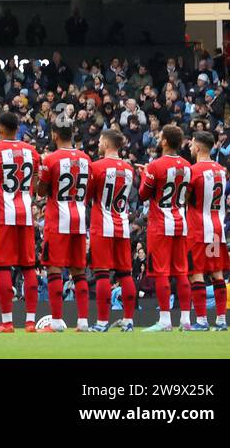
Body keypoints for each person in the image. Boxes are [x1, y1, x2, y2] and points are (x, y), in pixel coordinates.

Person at [0, 110, 41, 333]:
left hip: (2, 215)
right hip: (25, 214)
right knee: (28, 266)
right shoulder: (32, 151)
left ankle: (6, 323)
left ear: (0, 128)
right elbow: (34, 184)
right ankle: (31, 322)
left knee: (2, 266)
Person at [138, 124, 194, 332]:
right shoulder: (188, 166)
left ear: (164, 141)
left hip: (161, 224)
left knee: (161, 272)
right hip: (181, 222)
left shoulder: (155, 166)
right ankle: (186, 320)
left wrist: (145, 175)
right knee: (181, 272)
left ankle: (164, 320)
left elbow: (143, 194)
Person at [37, 122, 92, 333]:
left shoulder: (50, 159)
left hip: (58, 220)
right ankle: (83, 321)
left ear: (54, 134)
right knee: (79, 271)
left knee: (53, 269)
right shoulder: (86, 159)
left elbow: (41, 192)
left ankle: (57, 321)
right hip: (79, 220)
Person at [85, 130, 137, 332]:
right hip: (122, 225)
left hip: (102, 225)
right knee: (125, 274)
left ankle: (102, 322)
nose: (98, 143)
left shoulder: (96, 167)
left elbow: (88, 196)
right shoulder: (129, 168)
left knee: (102, 274)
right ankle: (129, 320)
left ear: (106, 143)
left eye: (99, 141)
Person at [187, 130, 230, 331]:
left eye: (192, 143)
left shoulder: (194, 171)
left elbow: (184, 198)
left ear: (197, 147)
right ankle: (221, 320)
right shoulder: (221, 169)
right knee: (216, 273)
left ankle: (202, 320)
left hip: (197, 228)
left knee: (196, 274)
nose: (190, 146)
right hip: (216, 229)